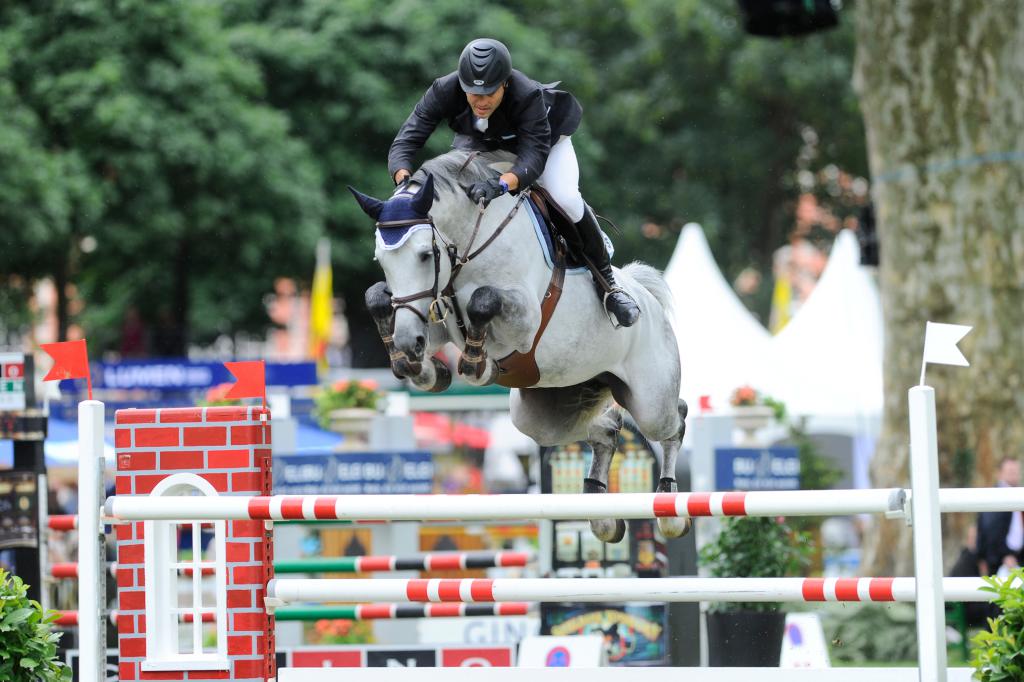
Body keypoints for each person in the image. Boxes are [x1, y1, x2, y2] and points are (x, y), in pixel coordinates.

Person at [387, 38, 640, 328]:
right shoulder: (445, 89)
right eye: (473, 94)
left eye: (489, 94)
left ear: (505, 84)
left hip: (545, 143)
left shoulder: (526, 94)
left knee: (566, 197)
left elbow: (533, 156)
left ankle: (609, 285)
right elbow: (407, 139)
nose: (480, 102)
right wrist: (403, 182)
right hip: (485, 143)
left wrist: (502, 184)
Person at [976, 456, 1022, 577]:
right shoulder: (996, 496)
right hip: (1000, 562)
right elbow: (991, 531)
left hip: (1017, 558)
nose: (1015, 475)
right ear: (1000, 474)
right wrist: (1004, 556)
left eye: (1016, 472)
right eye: (1010, 472)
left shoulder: (1017, 494)